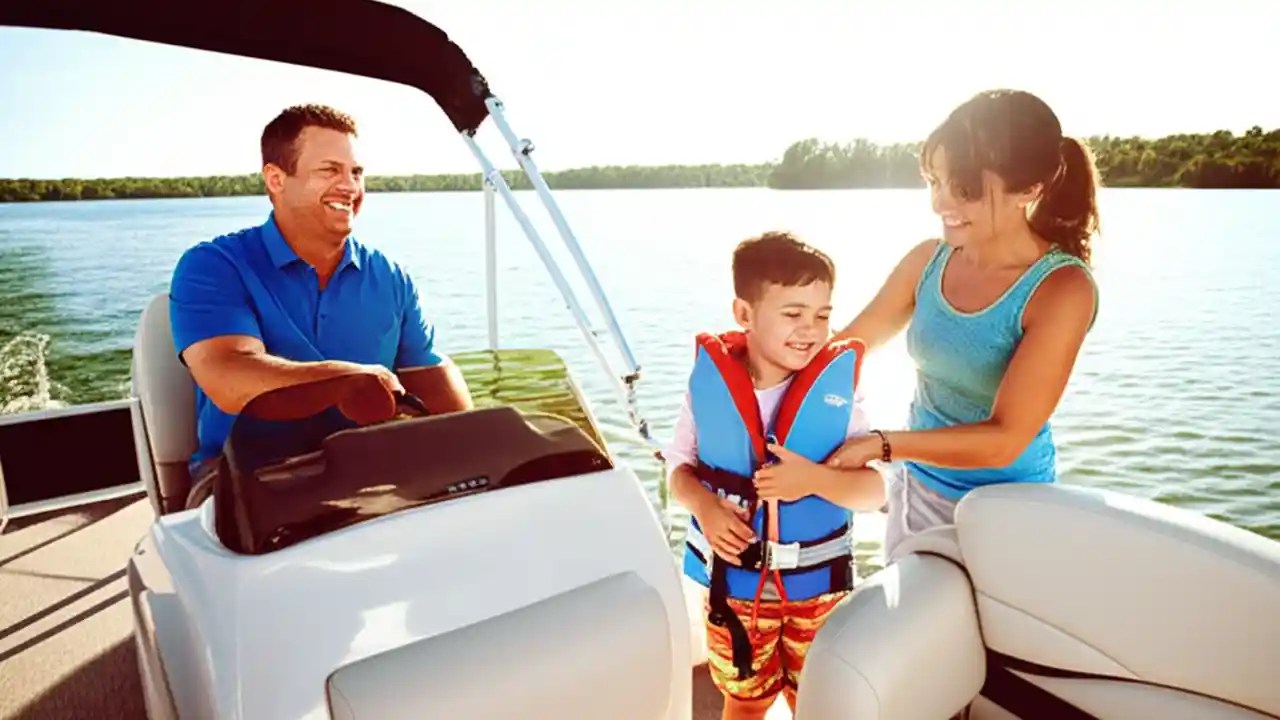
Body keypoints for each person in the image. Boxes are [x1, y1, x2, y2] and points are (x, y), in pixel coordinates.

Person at [825, 89, 1101, 559]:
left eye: (964, 188)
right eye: (935, 181)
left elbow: (1004, 440)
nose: (940, 203)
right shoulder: (926, 261)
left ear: (1029, 190)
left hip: (1009, 509)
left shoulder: (1063, 290)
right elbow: (844, 349)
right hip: (916, 495)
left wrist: (882, 445)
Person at [169, 103, 472, 509]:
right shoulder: (213, 265)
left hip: (369, 472)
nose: (349, 186)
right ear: (276, 179)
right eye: (330, 170)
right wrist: (346, 381)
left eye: (356, 172)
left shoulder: (391, 277)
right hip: (245, 478)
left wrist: (481, 444)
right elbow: (229, 376)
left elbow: (431, 378)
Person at [665, 231, 885, 720]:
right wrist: (704, 505)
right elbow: (679, 471)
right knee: (745, 703)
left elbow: (874, 490)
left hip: (819, 591)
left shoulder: (841, 393)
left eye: (823, 315)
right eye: (793, 314)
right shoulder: (707, 387)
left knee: (819, 703)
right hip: (736, 592)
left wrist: (810, 480)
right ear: (744, 314)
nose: (811, 329)